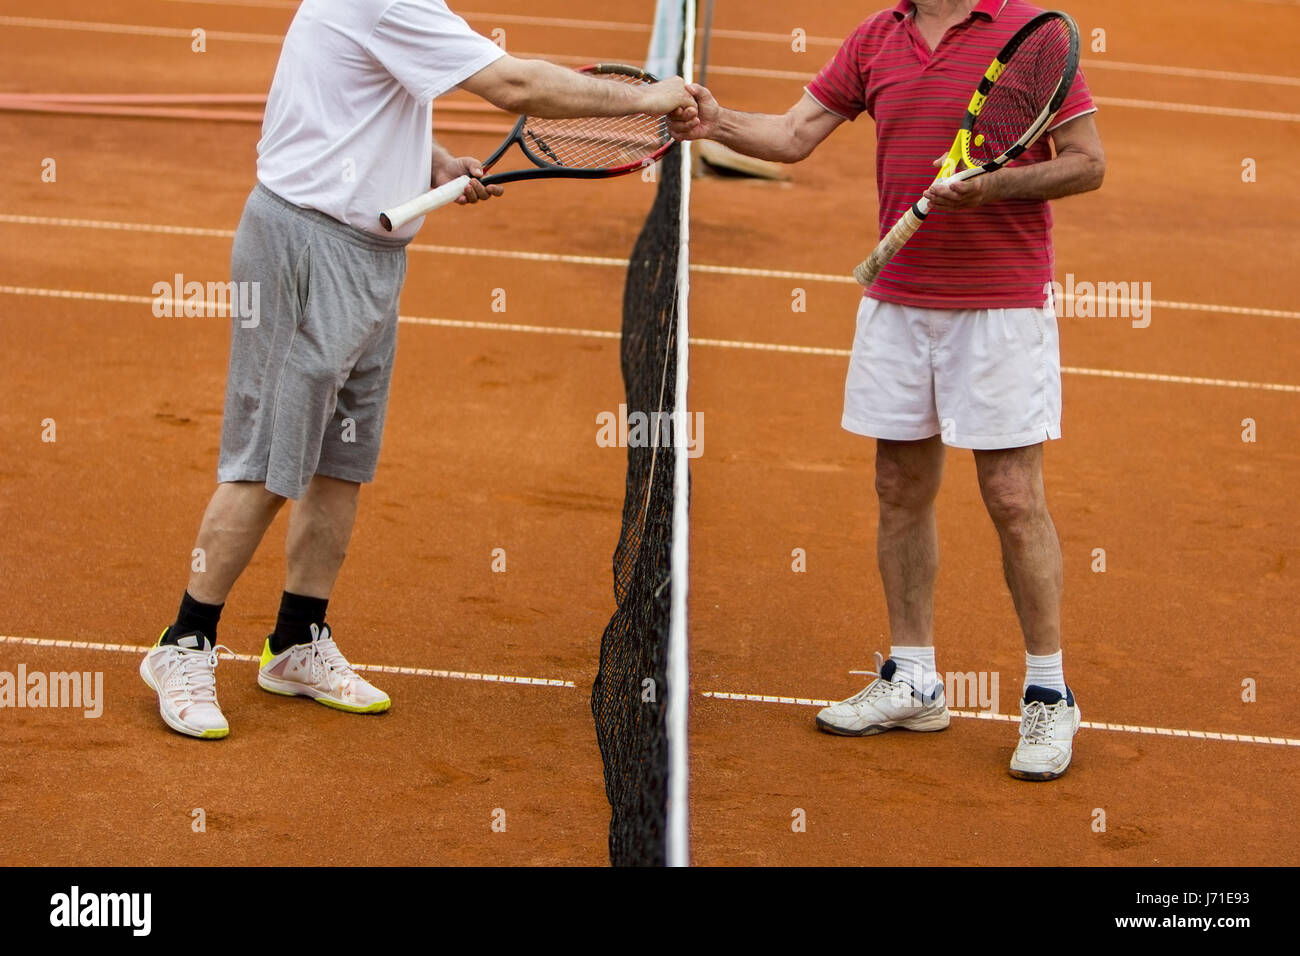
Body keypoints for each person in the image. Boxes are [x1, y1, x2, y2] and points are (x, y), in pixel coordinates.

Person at [140, 0, 696, 739]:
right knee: (268, 457)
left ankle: (298, 641)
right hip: (306, 246)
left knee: (341, 461)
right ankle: (184, 640)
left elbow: (353, 95)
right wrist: (652, 98)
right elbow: (518, 86)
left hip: (373, 254)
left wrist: (428, 162)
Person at [669, 0, 1104, 779]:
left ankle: (1048, 695)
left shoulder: (1028, 32)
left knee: (1011, 494)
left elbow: (1086, 162)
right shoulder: (876, 35)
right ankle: (914, 678)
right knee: (899, 486)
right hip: (899, 302)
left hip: (1000, 305)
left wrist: (991, 189)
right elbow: (795, 135)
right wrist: (716, 121)